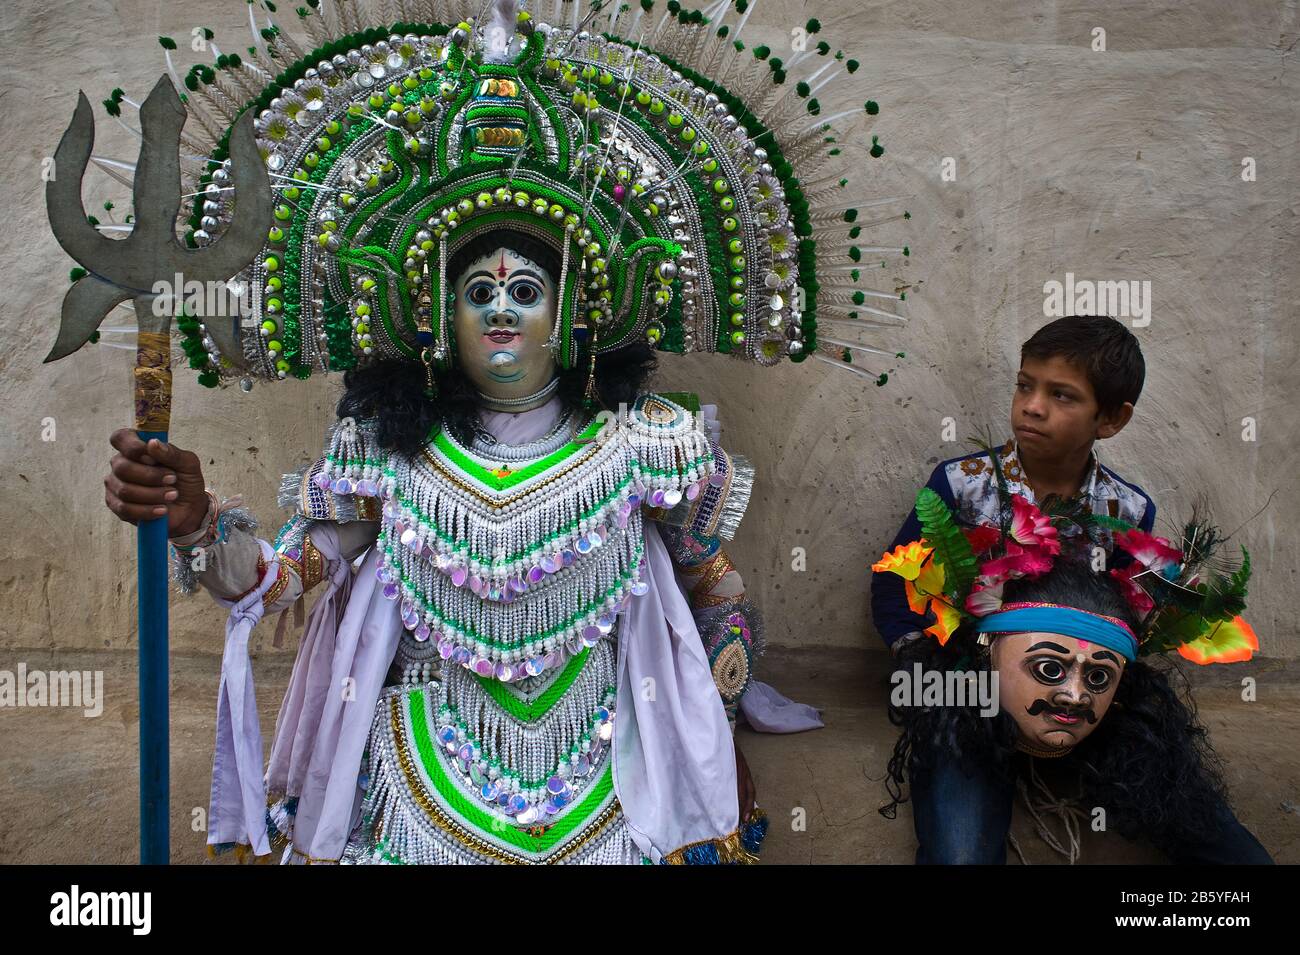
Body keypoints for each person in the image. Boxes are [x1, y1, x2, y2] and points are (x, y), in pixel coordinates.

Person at [97, 0, 899, 863]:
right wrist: (195, 523)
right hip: (424, 762)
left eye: (526, 291)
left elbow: (715, 593)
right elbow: (279, 579)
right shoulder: (385, 452)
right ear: (439, 317)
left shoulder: (646, 443)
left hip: (615, 758)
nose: (503, 311)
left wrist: (717, 705)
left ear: (573, 312)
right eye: (479, 291)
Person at [871, 487, 1271, 864]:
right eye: (1048, 668)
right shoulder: (961, 695)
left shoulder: (1123, 717)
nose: (1073, 696)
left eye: (1098, 677)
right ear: (986, 650)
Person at [872, 315, 1155, 655]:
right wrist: (917, 655)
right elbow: (896, 581)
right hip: (962, 671)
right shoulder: (961, 484)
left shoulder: (1128, 512)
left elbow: (1124, 615)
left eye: (1062, 395)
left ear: (1111, 419)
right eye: (1024, 386)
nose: (1032, 407)